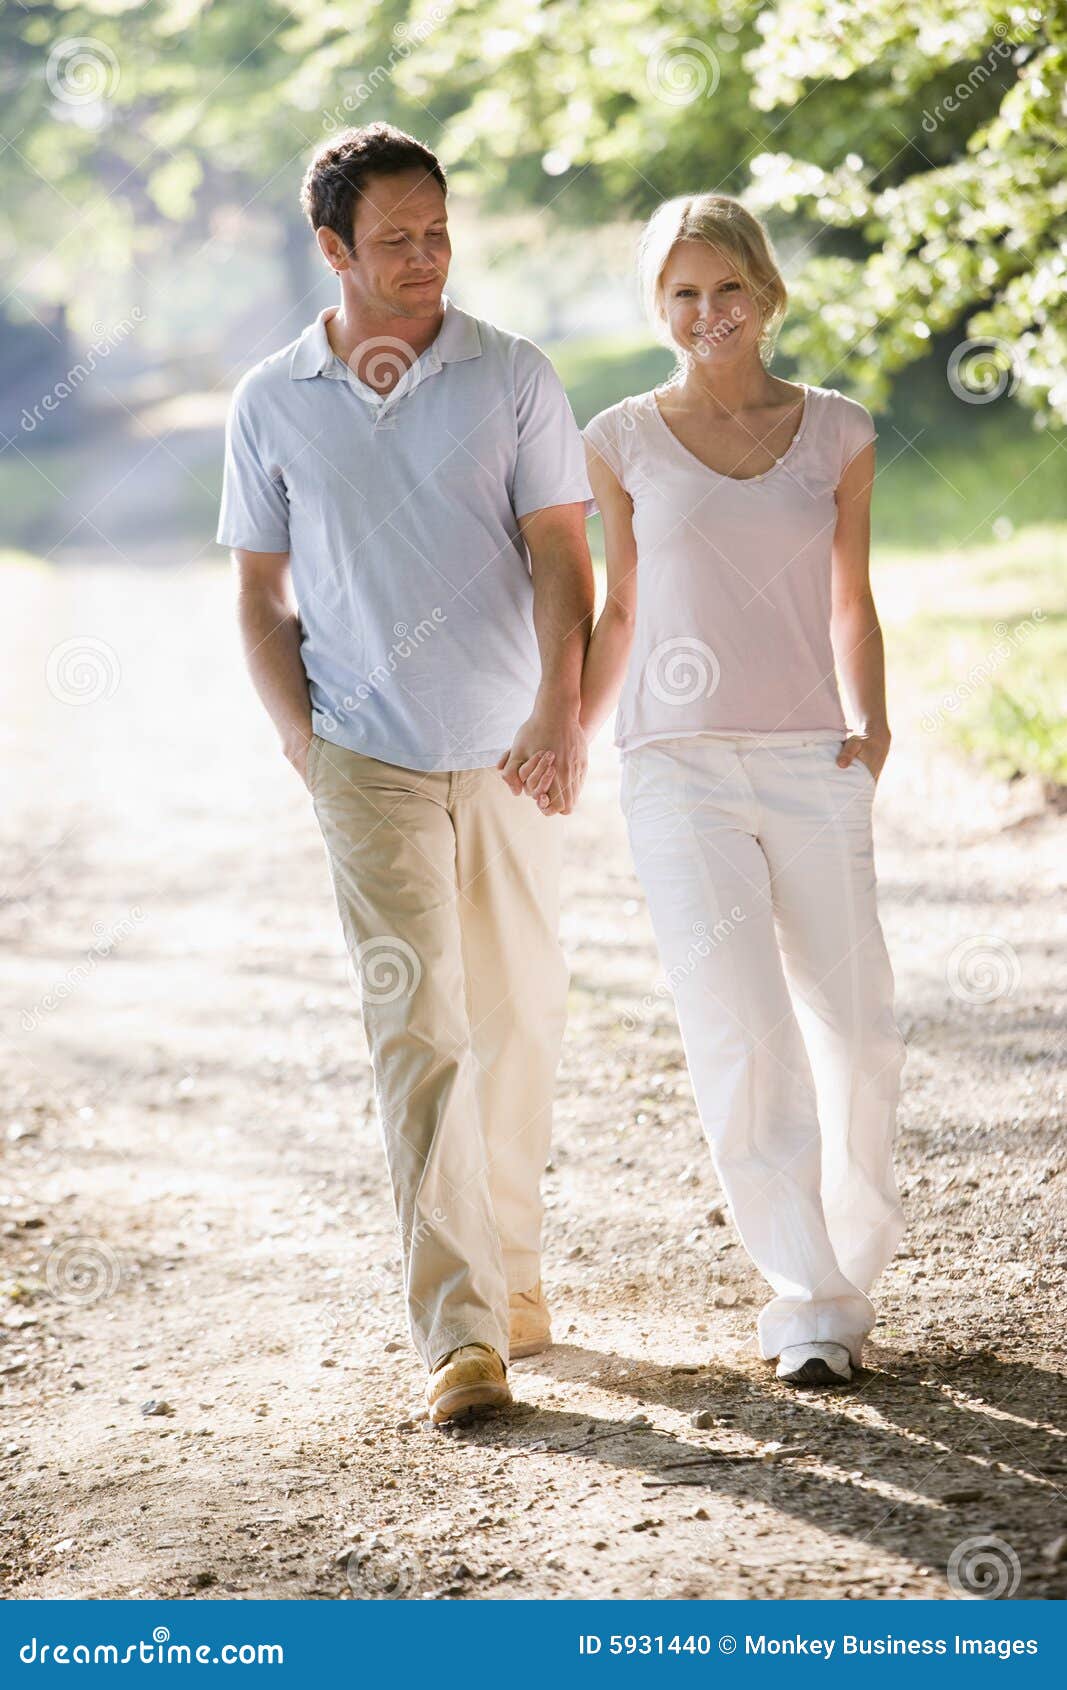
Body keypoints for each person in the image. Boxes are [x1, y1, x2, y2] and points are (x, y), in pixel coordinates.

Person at [216, 123, 595, 1424]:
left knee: (516, 1021)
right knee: (419, 1038)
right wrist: (303, 746)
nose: (425, 256)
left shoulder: (510, 376)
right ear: (332, 251)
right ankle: (461, 1333)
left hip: (507, 754)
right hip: (365, 759)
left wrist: (559, 708)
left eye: (437, 232)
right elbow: (258, 594)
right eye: (395, 241)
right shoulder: (271, 400)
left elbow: (559, 551)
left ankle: (514, 1277)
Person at [569, 192, 907, 1387]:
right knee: (741, 1033)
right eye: (679, 292)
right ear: (656, 306)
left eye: (723, 288)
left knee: (859, 1031)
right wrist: (565, 734)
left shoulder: (836, 432)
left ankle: (848, 1269)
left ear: (763, 292)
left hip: (810, 762)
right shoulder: (615, 436)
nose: (704, 313)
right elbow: (616, 609)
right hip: (675, 770)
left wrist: (872, 726)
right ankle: (808, 1304)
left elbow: (848, 601)